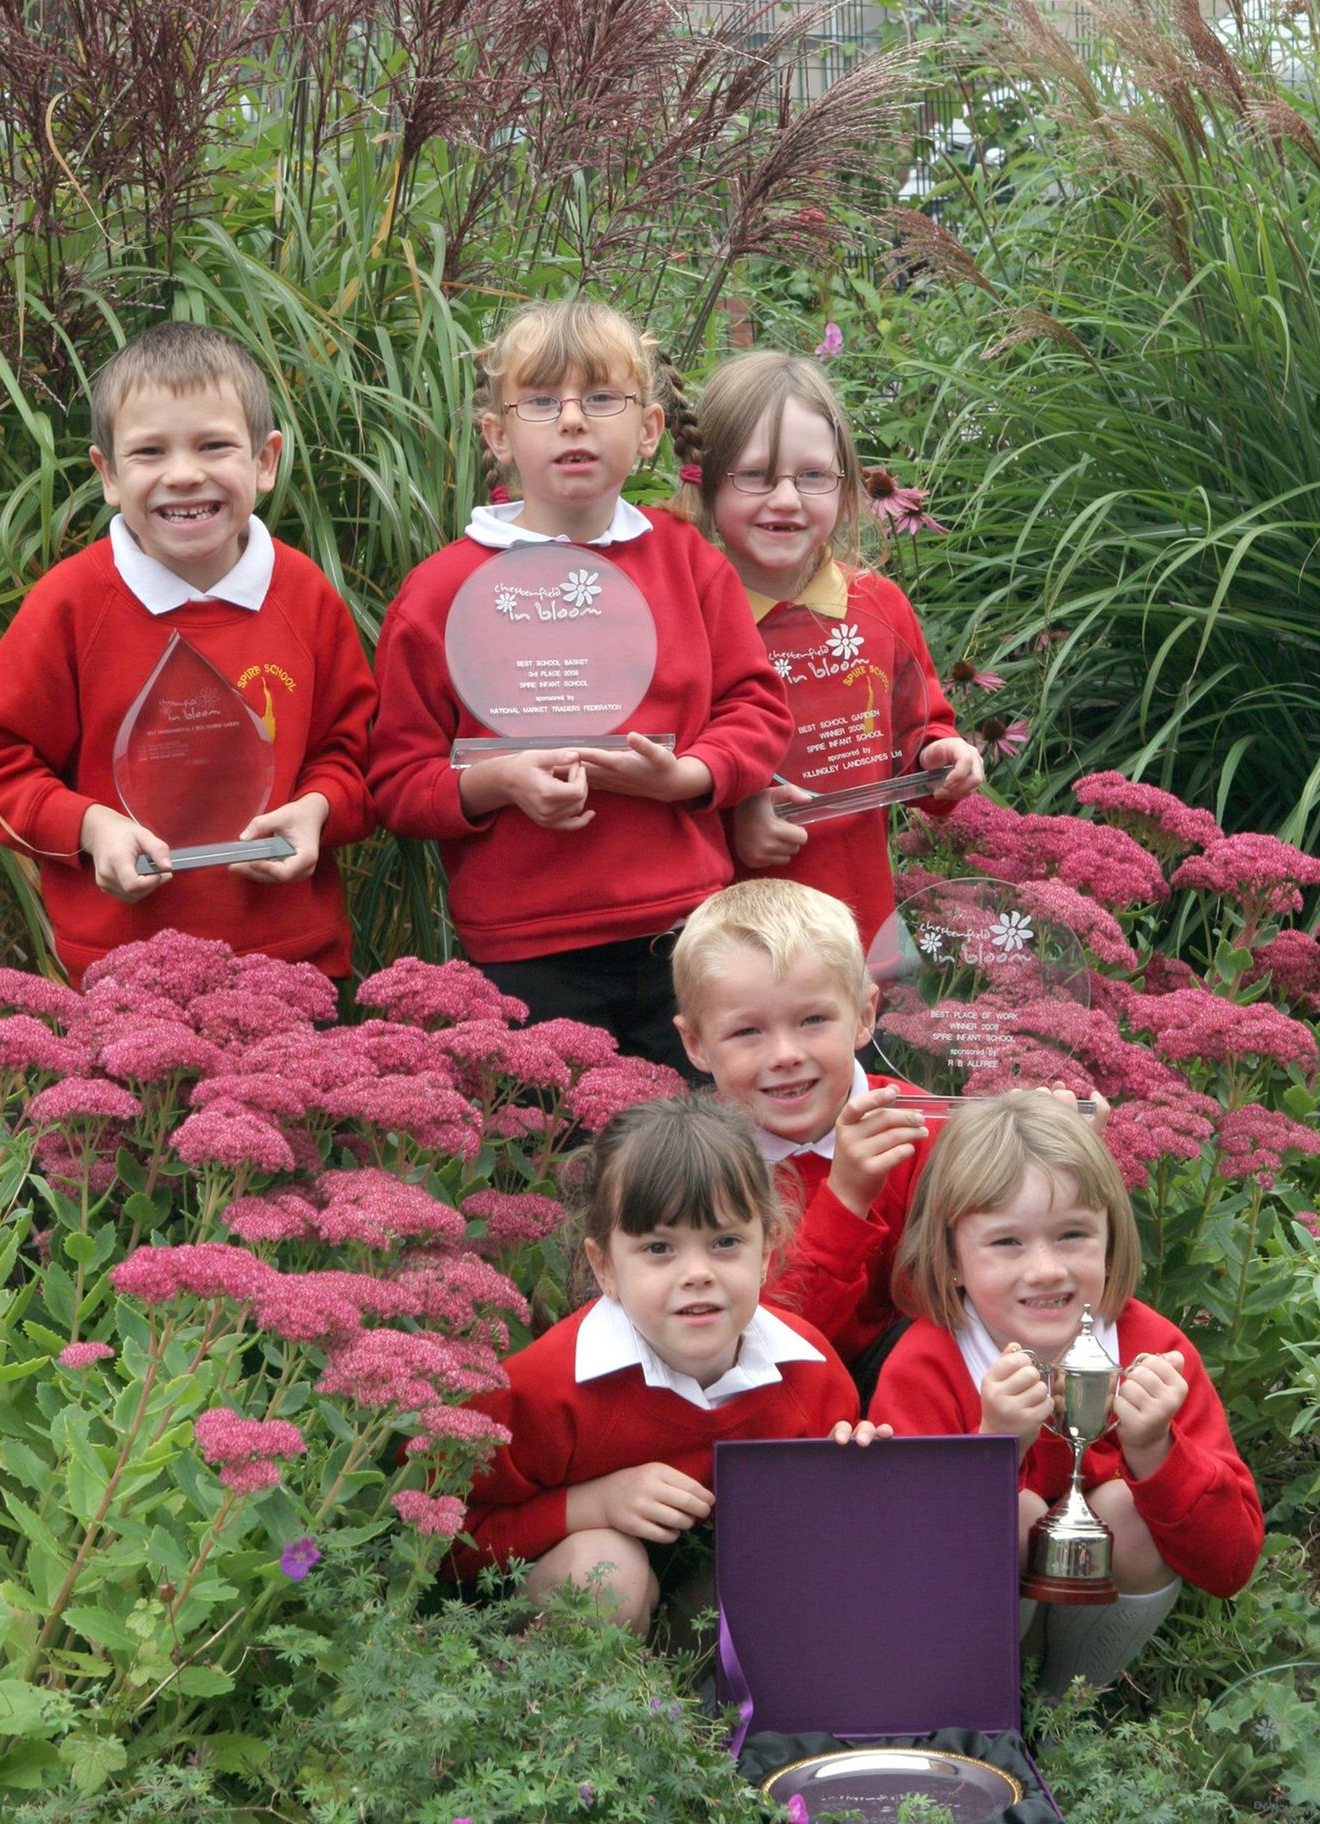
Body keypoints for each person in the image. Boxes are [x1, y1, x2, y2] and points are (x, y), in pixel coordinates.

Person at [368, 300, 792, 1071]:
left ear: (649, 431)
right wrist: (493, 784)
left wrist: (689, 778)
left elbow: (755, 707)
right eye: (539, 402)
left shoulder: (687, 563)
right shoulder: (439, 593)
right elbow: (396, 781)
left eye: (602, 398)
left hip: (684, 929)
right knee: (550, 1162)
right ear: (497, 436)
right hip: (526, 950)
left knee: (696, 1165)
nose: (572, 421)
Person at [0, 322, 376, 987]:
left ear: (264, 459)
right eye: (148, 452)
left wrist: (317, 811)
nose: (183, 474)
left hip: (292, 966)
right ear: (107, 474)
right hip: (119, 975)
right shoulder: (71, 605)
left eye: (213, 445)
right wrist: (89, 827)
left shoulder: (305, 596)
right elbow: (1, 762)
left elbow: (354, 755)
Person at [872, 1091, 1264, 1695]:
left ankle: (1067, 1713)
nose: (1046, 1270)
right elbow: (897, 1562)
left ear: (1111, 1238)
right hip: (948, 1639)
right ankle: (987, 1709)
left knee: (1126, 1514)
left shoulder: (1155, 1350)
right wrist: (991, 1448)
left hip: (1097, 1612)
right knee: (1018, 1514)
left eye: (1073, 1234)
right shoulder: (927, 1363)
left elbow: (1231, 1563)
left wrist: (1158, 1452)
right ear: (951, 1258)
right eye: (1007, 1242)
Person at [447, 1095, 869, 1634]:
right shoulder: (546, 1386)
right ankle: (577, 1710)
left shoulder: (809, 1373)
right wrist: (593, 1504)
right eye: (658, 1249)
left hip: (719, 1613)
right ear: (605, 1268)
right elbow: (446, 1540)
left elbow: (842, 1532)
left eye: (725, 1242)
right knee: (607, 1573)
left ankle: (720, 1703)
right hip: (572, 1598)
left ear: (766, 1253)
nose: (697, 1273)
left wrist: (856, 1470)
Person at [669, 349, 982, 950]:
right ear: (707, 484)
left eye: (812, 477)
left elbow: (920, 734)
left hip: (861, 923)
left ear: (844, 488)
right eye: (755, 475)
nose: (785, 499)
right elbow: (663, 781)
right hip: (734, 940)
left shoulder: (878, 607)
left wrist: (944, 760)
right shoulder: (689, 623)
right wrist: (735, 814)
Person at [672, 877, 937, 1382]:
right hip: (768, 1406)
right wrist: (845, 1199)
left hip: (922, 1406)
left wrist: (1058, 1158)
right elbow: (753, 1346)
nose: (785, 1056)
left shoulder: (927, 1130)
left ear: (863, 1017)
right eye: (747, 1031)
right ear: (696, 1043)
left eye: (813, 1019)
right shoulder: (692, 1165)